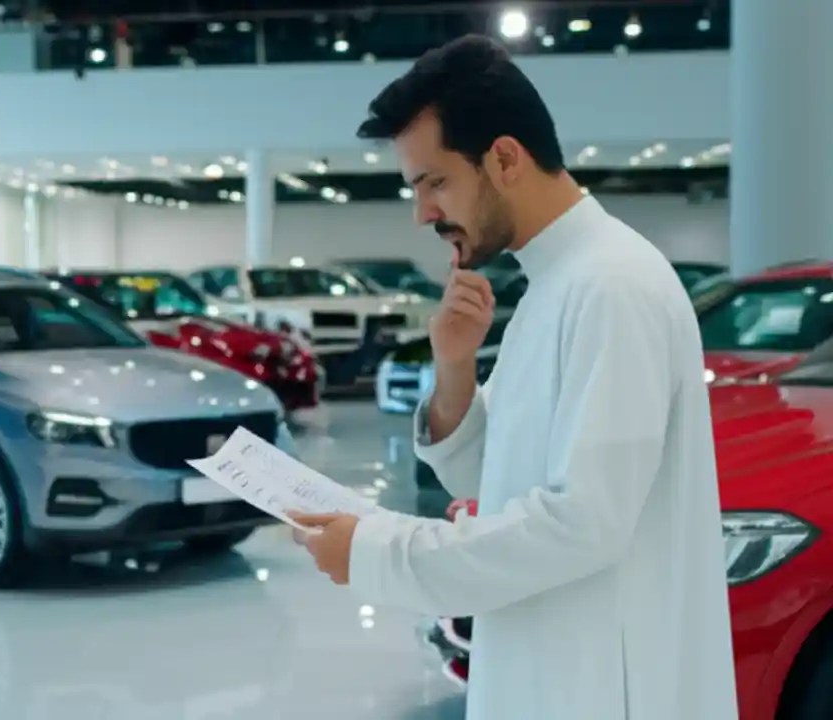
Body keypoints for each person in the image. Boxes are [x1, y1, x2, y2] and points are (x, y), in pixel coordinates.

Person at [289, 34, 737, 720]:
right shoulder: (554, 286)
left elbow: (584, 522)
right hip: (551, 665)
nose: (423, 213)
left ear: (503, 158)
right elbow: (490, 480)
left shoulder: (611, 285)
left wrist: (380, 552)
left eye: (434, 182)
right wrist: (455, 365)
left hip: (604, 686)